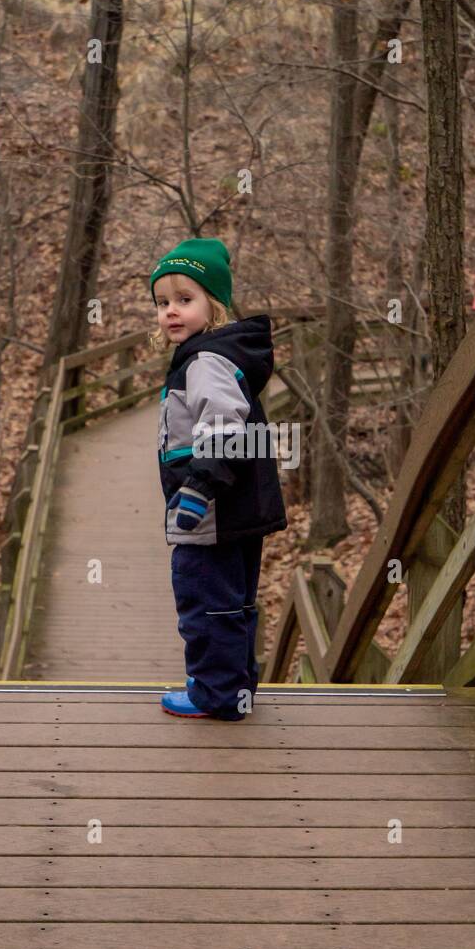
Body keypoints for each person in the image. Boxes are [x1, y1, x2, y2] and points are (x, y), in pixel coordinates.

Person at [149, 237, 287, 720]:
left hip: (211, 509)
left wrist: (198, 488)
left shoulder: (206, 363)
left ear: (216, 305)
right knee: (232, 601)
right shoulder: (216, 356)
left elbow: (225, 427)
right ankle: (232, 684)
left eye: (185, 300)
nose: (171, 311)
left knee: (203, 598)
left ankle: (218, 695)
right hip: (237, 507)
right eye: (163, 302)